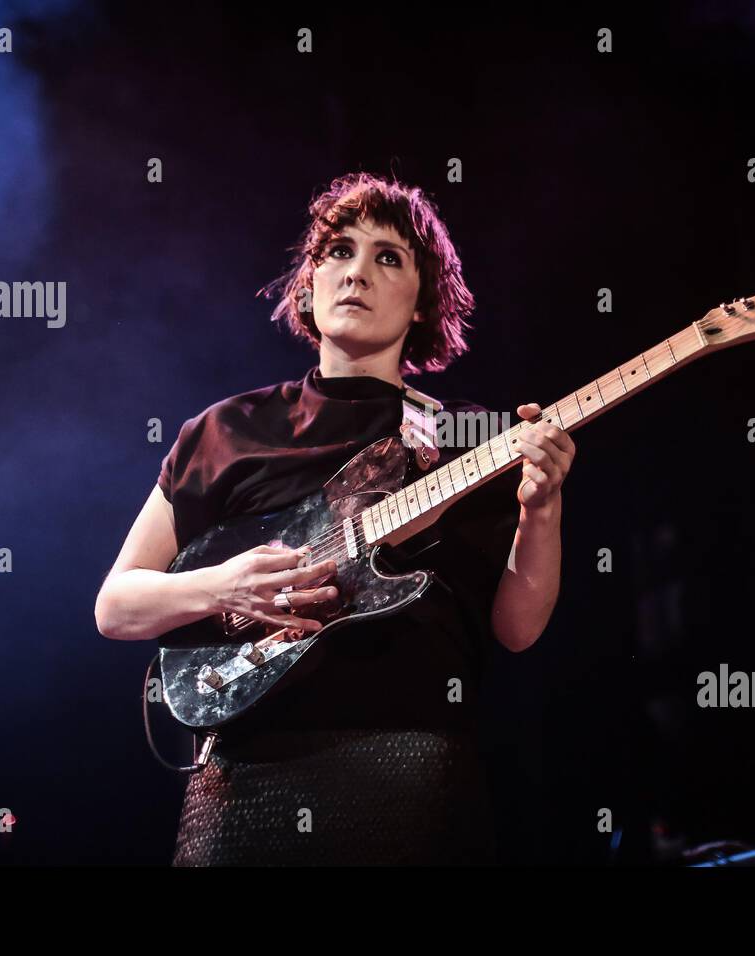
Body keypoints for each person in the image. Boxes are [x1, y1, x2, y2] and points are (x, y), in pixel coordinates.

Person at [94, 172, 576, 865]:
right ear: (309, 283)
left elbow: (518, 629)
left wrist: (543, 508)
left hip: (411, 776)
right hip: (243, 785)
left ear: (423, 303)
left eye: (389, 257)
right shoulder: (224, 431)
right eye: (339, 251)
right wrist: (222, 586)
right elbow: (116, 606)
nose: (357, 272)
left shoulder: (466, 436)